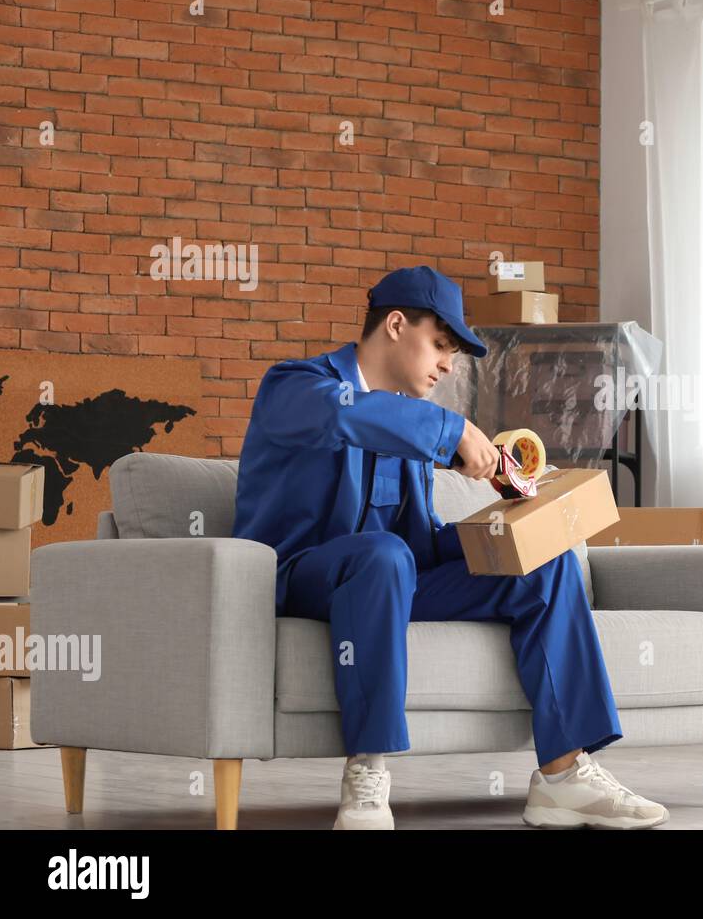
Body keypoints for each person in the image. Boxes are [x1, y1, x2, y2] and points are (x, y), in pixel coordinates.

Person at [233, 265, 668, 830]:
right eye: (439, 344)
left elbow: (420, 546)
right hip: (299, 579)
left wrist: (502, 529)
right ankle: (368, 771)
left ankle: (563, 776)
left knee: (540, 559)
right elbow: (345, 417)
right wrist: (452, 430)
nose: (446, 364)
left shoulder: (410, 426)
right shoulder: (293, 386)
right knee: (380, 554)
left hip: (390, 580)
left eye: (452, 354)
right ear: (395, 324)